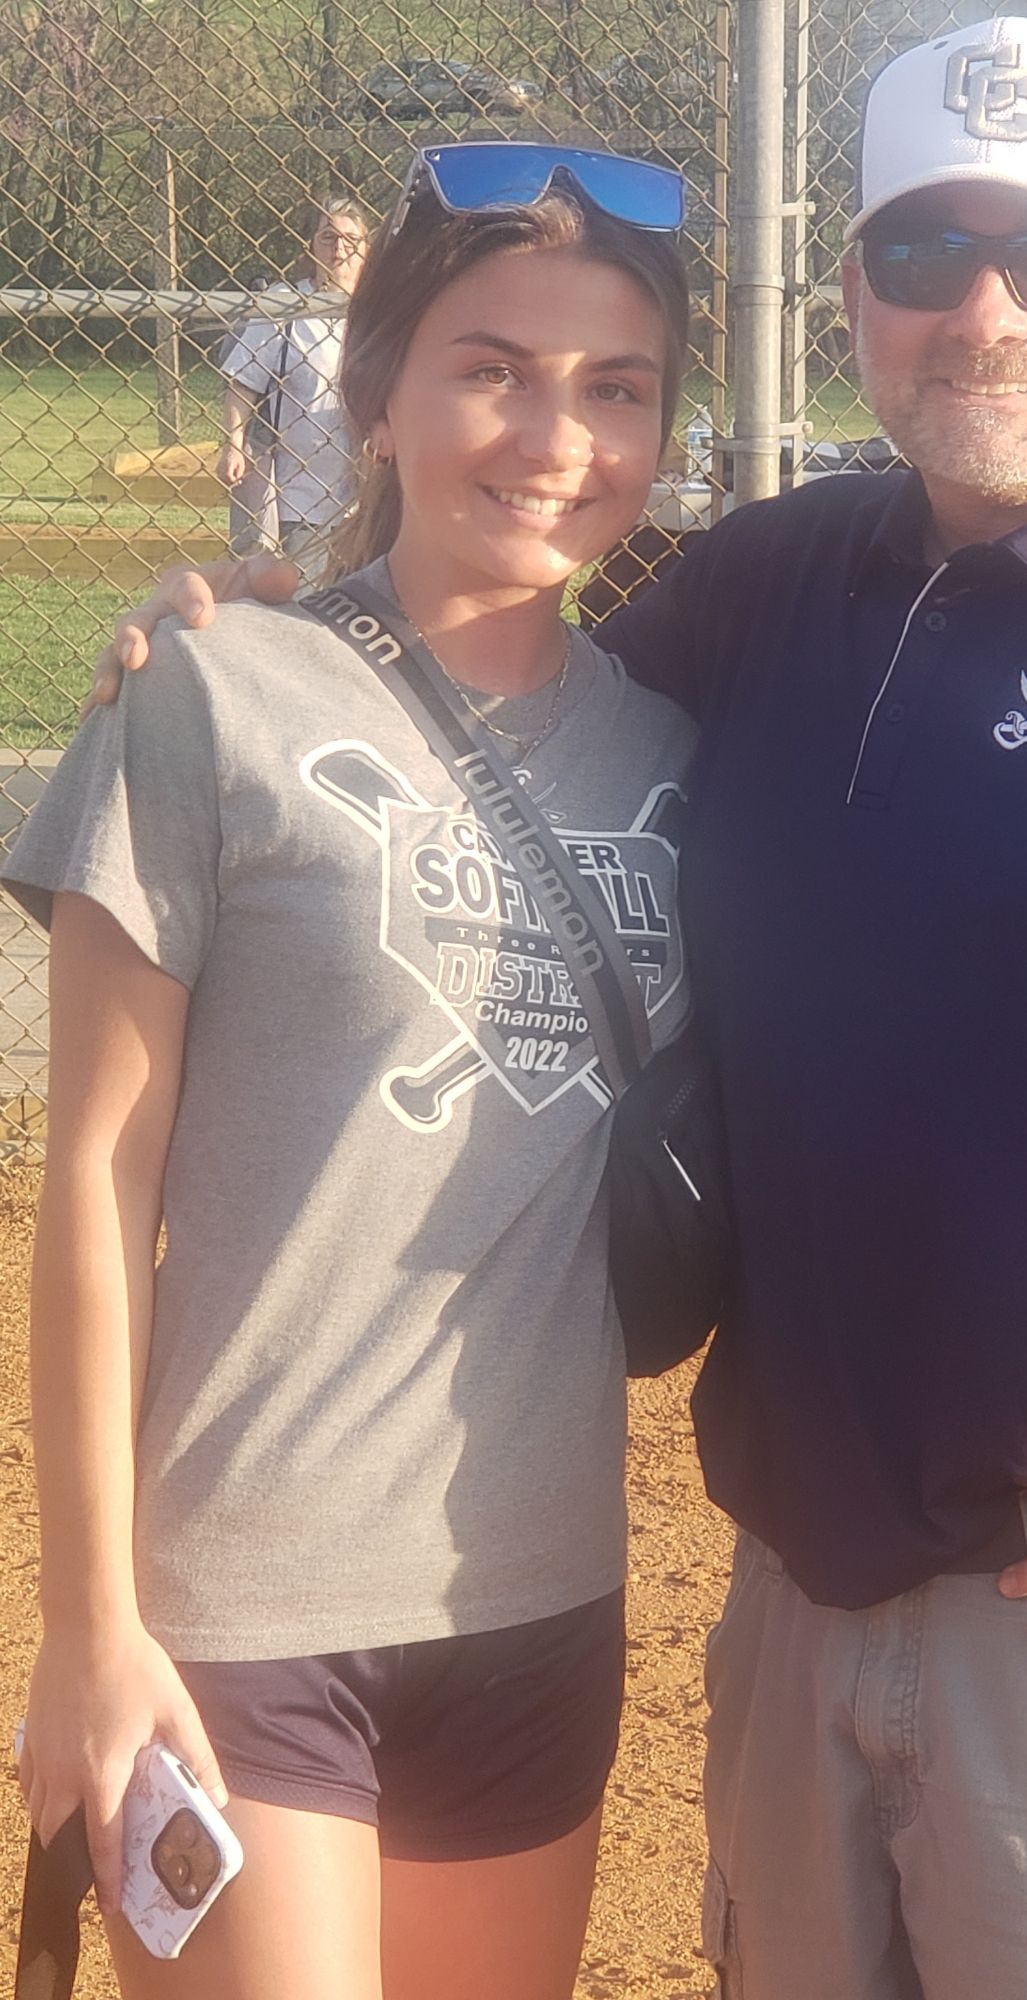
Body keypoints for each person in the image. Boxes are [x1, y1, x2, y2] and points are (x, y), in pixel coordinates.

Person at [91, 19, 1027, 1999]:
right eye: (922, 252)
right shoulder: (777, 585)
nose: (984, 309)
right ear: (851, 297)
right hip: (800, 1601)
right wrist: (260, 630)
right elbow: (486, 688)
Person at [6, 143, 695, 2000]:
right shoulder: (210, 692)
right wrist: (88, 1625)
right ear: (374, 390)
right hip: (243, 1608)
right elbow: (95, 1181)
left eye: (613, 389)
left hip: (537, 1596)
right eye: (490, 368)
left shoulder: (680, 755)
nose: (553, 437)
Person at [215, 196, 370, 572]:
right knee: (305, 609)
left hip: (368, 498)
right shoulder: (285, 304)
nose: (339, 248)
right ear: (311, 245)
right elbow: (244, 382)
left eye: (351, 239)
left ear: (367, 248)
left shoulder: (381, 310)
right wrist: (233, 446)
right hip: (300, 496)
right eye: (328, 237)